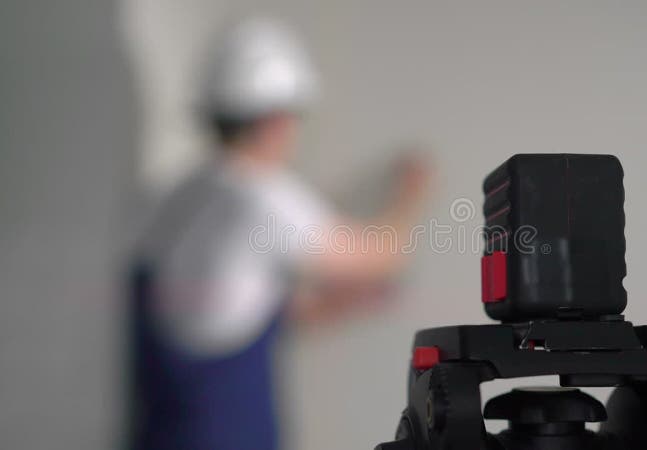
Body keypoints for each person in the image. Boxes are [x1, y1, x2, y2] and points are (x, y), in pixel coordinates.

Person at [128, 18, 430, 450]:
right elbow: (379, 258)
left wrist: (335, 306)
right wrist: (411, 194)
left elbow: (223, 312)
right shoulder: (261, 198)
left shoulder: (177, 196)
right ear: (276, 119)